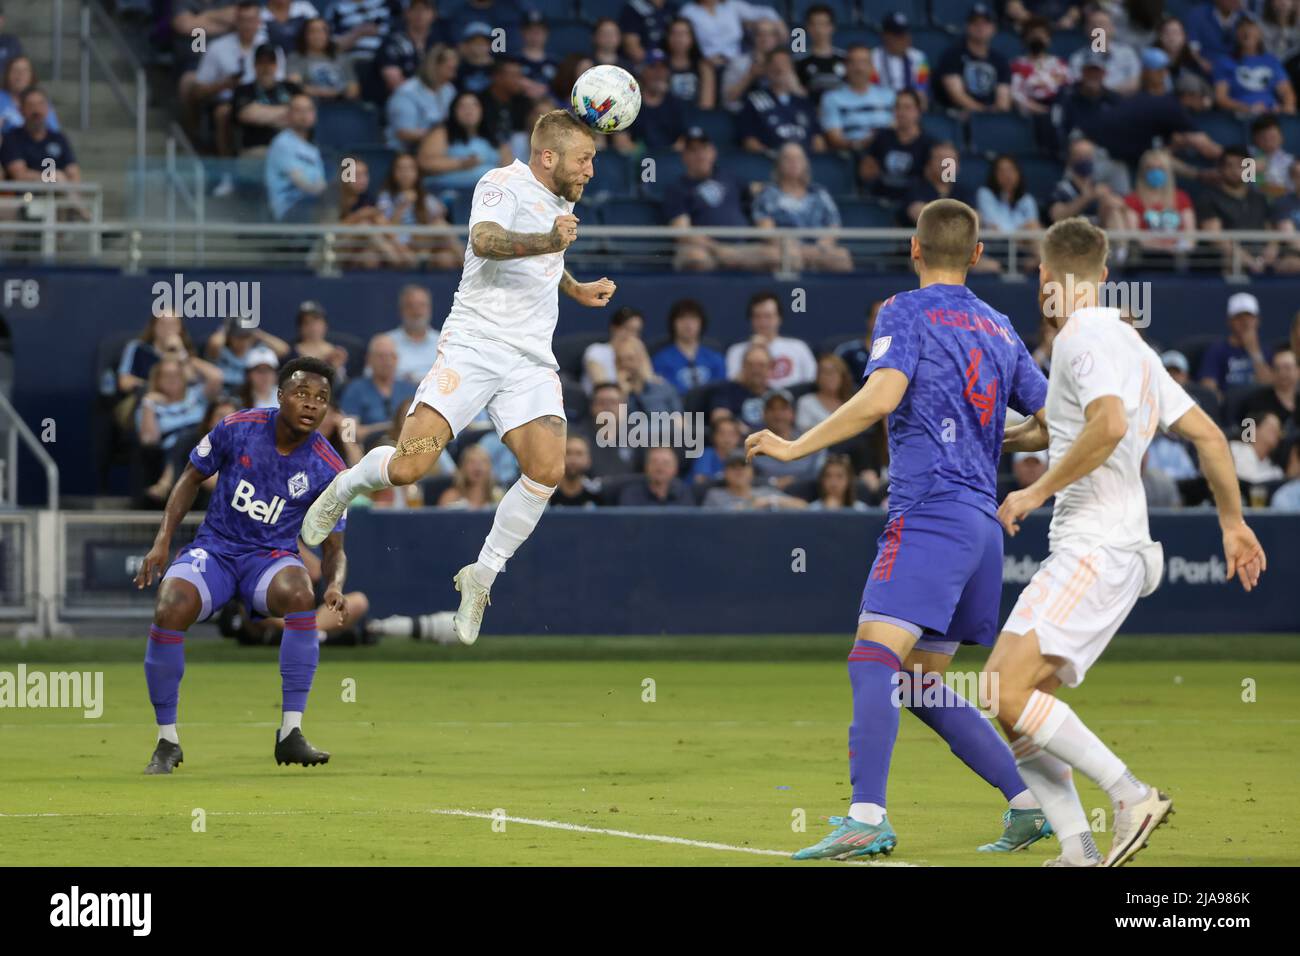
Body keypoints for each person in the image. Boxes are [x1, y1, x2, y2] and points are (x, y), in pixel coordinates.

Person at [746, 198, 1053, 860]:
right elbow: (1052, 422)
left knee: (872, 658)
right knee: (917, 680)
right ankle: (1028, 805)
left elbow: (882, 397)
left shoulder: (904, 311)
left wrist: (797, 448)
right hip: (981, 527)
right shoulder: (1001, 327)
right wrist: (988, 437)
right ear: (976, 256)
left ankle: (866, 815)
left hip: (931, 515)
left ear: (914, 250)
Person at [987, 216, 1266, 866]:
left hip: (1097, 545)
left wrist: (1034, 491)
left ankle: (1131, 793)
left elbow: (1108, 425)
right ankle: (1079, 849)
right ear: (1105, 273)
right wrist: (1232, 522)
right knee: (1018, 704)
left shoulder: (1080, 335)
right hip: (1108, 548)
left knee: (1001, 689)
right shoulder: (1130, 346)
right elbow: (1209, 438)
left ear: (1045, 278)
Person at [300, 110, 617, 647]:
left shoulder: (559, 200)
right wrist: (548, 240)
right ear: (548, 157)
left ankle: (482, 574)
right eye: (584, 159)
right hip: (474, 349)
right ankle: (346, 484)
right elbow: (489, 241)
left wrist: (574, 286)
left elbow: (538, 260)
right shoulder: (500, 183)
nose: (590, 170)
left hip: (529, 360)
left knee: (547, 470)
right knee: (409, 467)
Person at [133, 357, 354, 774]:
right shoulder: (238, 427)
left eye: (321, 398)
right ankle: (167, 741)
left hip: (267, 560)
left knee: (300, 591)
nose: (311, 404)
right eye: (302, 393)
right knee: (171, 604)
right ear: (281, 395)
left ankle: (291, 733)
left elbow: (335, 548)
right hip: (215, 549)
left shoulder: (329, 468)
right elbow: (188, 478)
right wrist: (162, 543)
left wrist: (335, 584)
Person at [664, 127, 780, 272]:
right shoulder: (677, 188)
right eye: (693, 150)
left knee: (775, 256)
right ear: (684, 157)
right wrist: (719, 249)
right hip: (705, 249)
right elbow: (682, 232)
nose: (700, 155)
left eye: (704, 149)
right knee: (695, 258)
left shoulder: (731, 178)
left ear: (713, 152)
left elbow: (758, 191)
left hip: (740, 248)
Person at [752, 142, 853, 273]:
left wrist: (821, 246)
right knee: (782, 259)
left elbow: (834, 225)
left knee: (842, 256)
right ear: (778, 164)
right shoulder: (768, 194)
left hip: (819, 249)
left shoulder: (819, 193)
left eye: (798, 158)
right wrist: (792, 248)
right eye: (788, 158)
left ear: (805, 164)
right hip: (785, 250)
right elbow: (766, 231)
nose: (794, 162)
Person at [417, 91, 512, 189]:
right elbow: (425, 163)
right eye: (463, 106)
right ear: (454, 111)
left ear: (482, 110)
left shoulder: (494, 136)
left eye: (474, 105)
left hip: (489, 194)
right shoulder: (442, 133)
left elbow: (508, 169)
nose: (469, 110)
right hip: (448, 191)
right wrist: (461, 163)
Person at [737, 49, 825, 154]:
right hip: (770, 161)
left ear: (792, 69)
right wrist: (771, 157)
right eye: (774, 64)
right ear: (766, 68)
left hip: (804, 161)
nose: (779, 69)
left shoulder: (804, 103)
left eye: (784, 64)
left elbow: (818, 140)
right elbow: (749, 141)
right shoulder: (754, 100)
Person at [723, 291, 817, 388]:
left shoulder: (799, 348)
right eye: (757, 316)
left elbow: (813, 383)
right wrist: (752, 350)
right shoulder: (736, 351)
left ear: (779, 318)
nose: (763, 322)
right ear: (750, 320)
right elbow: (732, 386)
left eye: (768, 316)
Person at [935, 3, 1012, 114]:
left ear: (993, 28)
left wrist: (993, 113)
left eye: (985, 23)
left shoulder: (1000, 60)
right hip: (962, 115)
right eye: (975, 23)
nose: (980, 27)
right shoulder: (952, 55)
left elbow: (1003, 100)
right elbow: (957, 95)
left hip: (992, 116)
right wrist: (983, 112)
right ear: (967, 26)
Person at [341, 334, 417, 446]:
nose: (387, 362)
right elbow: (348, 434)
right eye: (381, 356)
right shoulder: (355, 389)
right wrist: (390, 426)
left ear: (397, 359)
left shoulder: (410, 389)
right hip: (370, 451)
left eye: (391, 356)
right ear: (369, 359)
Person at [858, 89, 932, 203]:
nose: (901, 112)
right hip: (883, 199)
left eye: (907, 107)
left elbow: (947, 175)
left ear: (918, 111)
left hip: (914, 201)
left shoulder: (930, 142)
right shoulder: (881, 137)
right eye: (897, 107)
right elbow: (865, 173)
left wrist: (942, 177)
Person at [1212, 14, 1296, 114]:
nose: (1247, 32)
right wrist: (1248, 108)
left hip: (1271, 115)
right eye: (1242, 27)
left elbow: (1286, 91)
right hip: (1240, 117)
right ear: (1235, 33)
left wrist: (1287, 108)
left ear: (1260, 33)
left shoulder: (1271, 61)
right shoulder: (1225, 62)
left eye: (1251, 27)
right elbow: (1221, 98)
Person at [819, 45, 894, 153]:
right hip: (852, 155)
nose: (859, 68)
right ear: (845, 67)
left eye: (864, 62)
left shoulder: (889, 96)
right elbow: (835, 139)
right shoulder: (831, 98)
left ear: (872, 67)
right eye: (853, 63)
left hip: (888, 152)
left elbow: (897, 129)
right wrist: (861, 144)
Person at [264, 93, 326, 223]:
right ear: (288, 114)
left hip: (311, 205)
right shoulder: (282, 142)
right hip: (290, 208)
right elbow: (302, 183)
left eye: (308, 110)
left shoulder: (313, 149)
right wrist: (326, 195)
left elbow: (321, 181)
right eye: (298, 110)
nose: (304, 115)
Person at [1199, 291, 1274, 394]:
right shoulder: (1217, 350)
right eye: (1239, 318)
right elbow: (1208, 387)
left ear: (1257, 320)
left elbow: (1271, 390)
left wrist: (1254, 352)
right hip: (1229, 405)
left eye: (1249, 317)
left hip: (1259, 405)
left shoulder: (1267, 351)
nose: (1245, 322)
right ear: (1229, 321)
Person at [386, 45, 458, 150]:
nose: (454, 75)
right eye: (449, 69)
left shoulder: (449, 89)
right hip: (405, 152)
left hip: (439, 148)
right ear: (434, 66)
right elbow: (404, 133)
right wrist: (440, 137)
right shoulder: (407, 92)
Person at [233, 44, 301, 153]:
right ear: (255, 65)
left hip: (293, 147)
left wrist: (263, 113)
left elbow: (303, 112)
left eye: (270, 62)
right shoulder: (243, 90)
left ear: (276, 65)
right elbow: (247, 115)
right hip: (258, 149)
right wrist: (288, 112)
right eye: (261, 62)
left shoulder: (291, 87)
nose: (266, 67)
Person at [653, 298, 728, 394]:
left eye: (693, 318)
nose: (688, 324)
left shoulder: (715, 359)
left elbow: (721, 391)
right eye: (682, 318)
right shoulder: (661, 360)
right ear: (673, 323)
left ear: (701, 322)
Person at [286, 16, 359, 102]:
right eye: (313, 31)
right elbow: (295, 86)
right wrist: (337, 92)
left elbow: (353, 90)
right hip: (311, 106)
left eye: (323, 31)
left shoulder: (341, 58)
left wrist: (316, 91)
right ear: (304, 35)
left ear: (329, 35)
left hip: (341, 105)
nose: (318, 35)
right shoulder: (295, 58)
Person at [702, 449, 806, 509]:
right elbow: (707, 522)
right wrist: (752, 505)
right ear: (725, 472)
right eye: (733, 466)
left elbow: (802, 506)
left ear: (752, 471)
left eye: (743, 465)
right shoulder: (715, 495)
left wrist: (771, 500)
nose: (739, 470)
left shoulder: (766, 492)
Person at [869, 12, 931, 108]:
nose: (904, 38)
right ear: (885, 36)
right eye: (898, 35)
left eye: (905, 33)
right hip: (882, 106)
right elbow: (873, 90)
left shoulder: (920, 58)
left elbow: (921, 88)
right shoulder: (872, 58)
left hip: (910, 107)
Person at [386, 284, 441, 384]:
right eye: (410, 306)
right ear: (401, 310)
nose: (417, 311)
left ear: (430, 309)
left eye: (422, 305)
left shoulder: (443, 341)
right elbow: (371, 377)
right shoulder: (386, 343)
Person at [582, 306, 644, 393]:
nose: (632, 336)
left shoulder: (637, 352)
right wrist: (622, 388)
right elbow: (603, 390)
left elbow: (646, 384)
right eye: (627, 329)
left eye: (636, 331)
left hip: (629, 404)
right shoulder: (596, 351)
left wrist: (642, 353)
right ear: (614, 328)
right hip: (605, 404)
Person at [794, 4, 846, 105]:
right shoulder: (798, 61)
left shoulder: (846, 59)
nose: (819, 30)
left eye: (823, 24)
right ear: (808, 28)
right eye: (814, 24)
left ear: (832, 27)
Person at [796, 354, 854, 432]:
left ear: (842, 377)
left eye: (834, 371)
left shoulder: (852, 401)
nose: (830, 376)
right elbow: (804, 434)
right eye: (825, 372)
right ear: (817, 376)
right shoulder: (806, 402)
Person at [438, 444, 505, 509]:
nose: (477, 466)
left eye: (483, 462)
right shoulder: (450, 498)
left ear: (490, 468)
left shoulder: (500, 498)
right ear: (462, 468)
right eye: (471, 462)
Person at [618, 446, 692, 505]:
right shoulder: (631, 494)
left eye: (666, 463)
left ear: (675, 468)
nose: (660, 467)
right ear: (646, 466)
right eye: (654, 462)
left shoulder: (684, 494)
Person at [1244, 347, 1299, 426]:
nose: (1282, 373)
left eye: (1287, 368)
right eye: (1277, 368)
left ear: (1298, 371)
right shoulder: (1257, 402)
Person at [1230, 410, 1286, 481]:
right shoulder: (1235, 449)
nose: (1277, 431)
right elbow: (1247, 479)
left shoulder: (1276, 470)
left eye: (1278, 429)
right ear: (1254, 429)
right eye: (1271, 427)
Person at [551, 435, 602, 508]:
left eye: (579, 454)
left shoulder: (598, 494)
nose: (573, 459)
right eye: (568, 453)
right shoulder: (547, 495)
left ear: (589, 460)